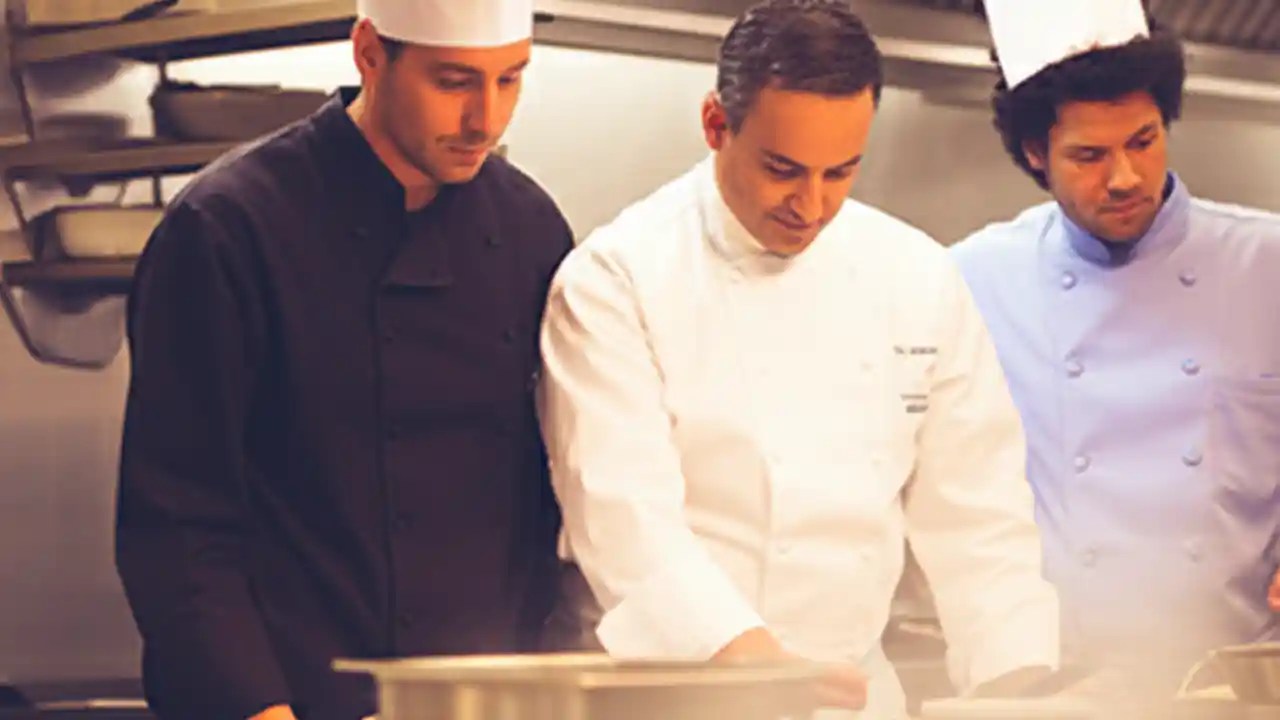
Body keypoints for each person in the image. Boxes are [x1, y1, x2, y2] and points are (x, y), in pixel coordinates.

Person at [536, 1, 1061, 717]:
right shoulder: (616, 278)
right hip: (676, 693)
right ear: (717, 125)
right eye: (782, 169)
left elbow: (977, 510)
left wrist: (1016, 681)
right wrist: (753, 662)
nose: (811, 206)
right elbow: (627, 525)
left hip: (852, 697)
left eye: (841, 172)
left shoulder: (916, 274)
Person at [114, 2, 573, 719]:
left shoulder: (530, 229)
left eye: (511, 80)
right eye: (454, 82)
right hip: (283, 698)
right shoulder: (227, 229)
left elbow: (544, 503)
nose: (486, 118)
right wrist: (260, 709)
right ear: (368, 53)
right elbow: (178, 522)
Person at [951, 0, 1280, 689]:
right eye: (1089, 155)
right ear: (1036, 154)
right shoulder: (974, 280)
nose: (1127, 176)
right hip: (1063, 688)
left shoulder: (1268, 262)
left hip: (1241, 680)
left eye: (1144, 139)